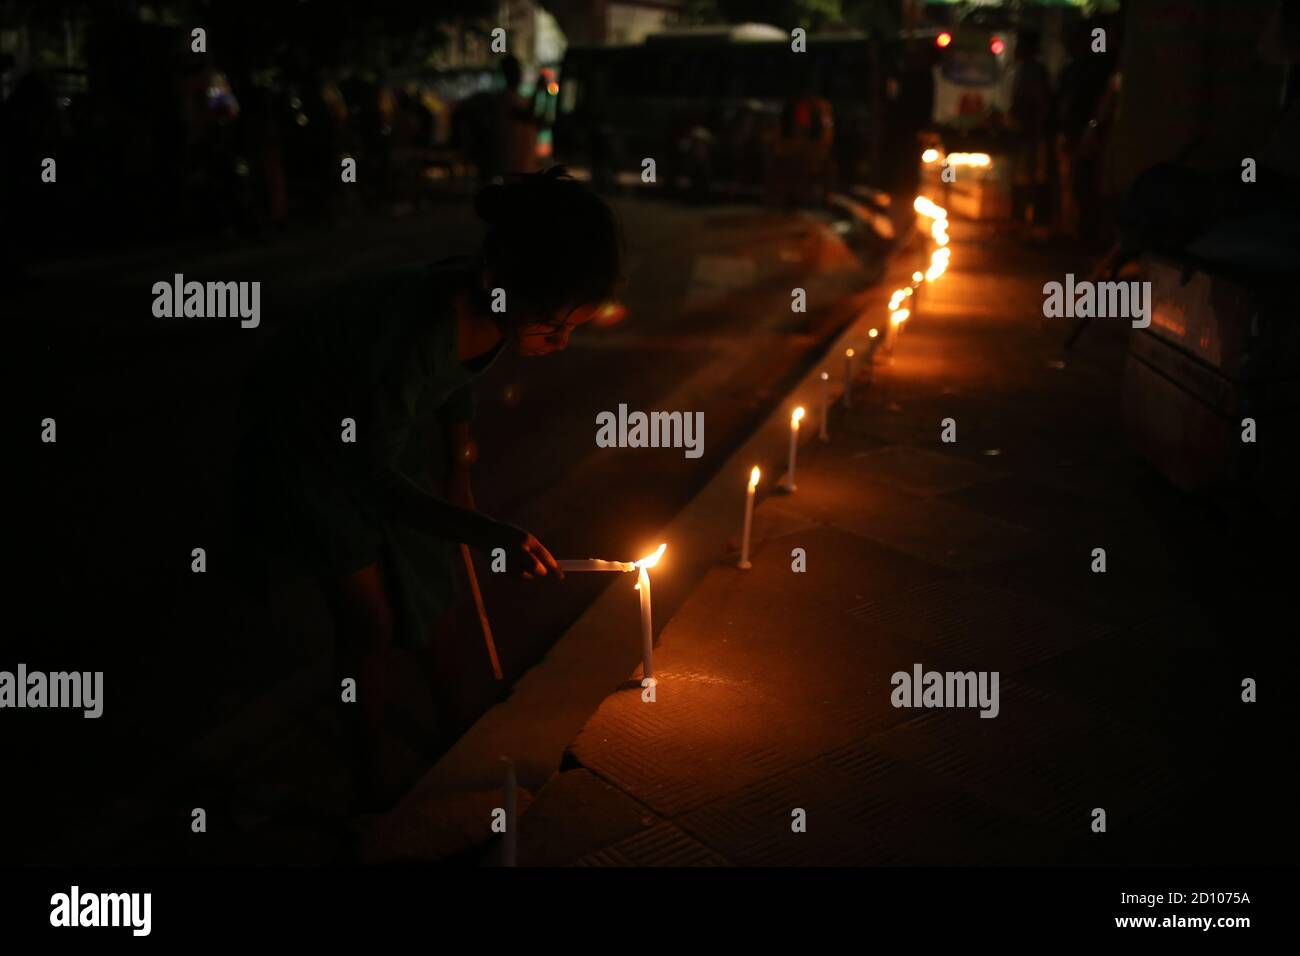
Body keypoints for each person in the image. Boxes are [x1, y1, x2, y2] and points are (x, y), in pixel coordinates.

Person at [234, 169, 623, 809]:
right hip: (307, 442)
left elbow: (455, 381)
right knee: (369, 620)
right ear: (510, 288)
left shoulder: (490, 309)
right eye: (555, 328)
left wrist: (458, 468)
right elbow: (369, 475)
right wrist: (484, 531)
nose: (561, 344)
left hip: (374, 433)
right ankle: (368, 784)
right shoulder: (418, 329)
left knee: (430, 582)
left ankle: (458, 729)